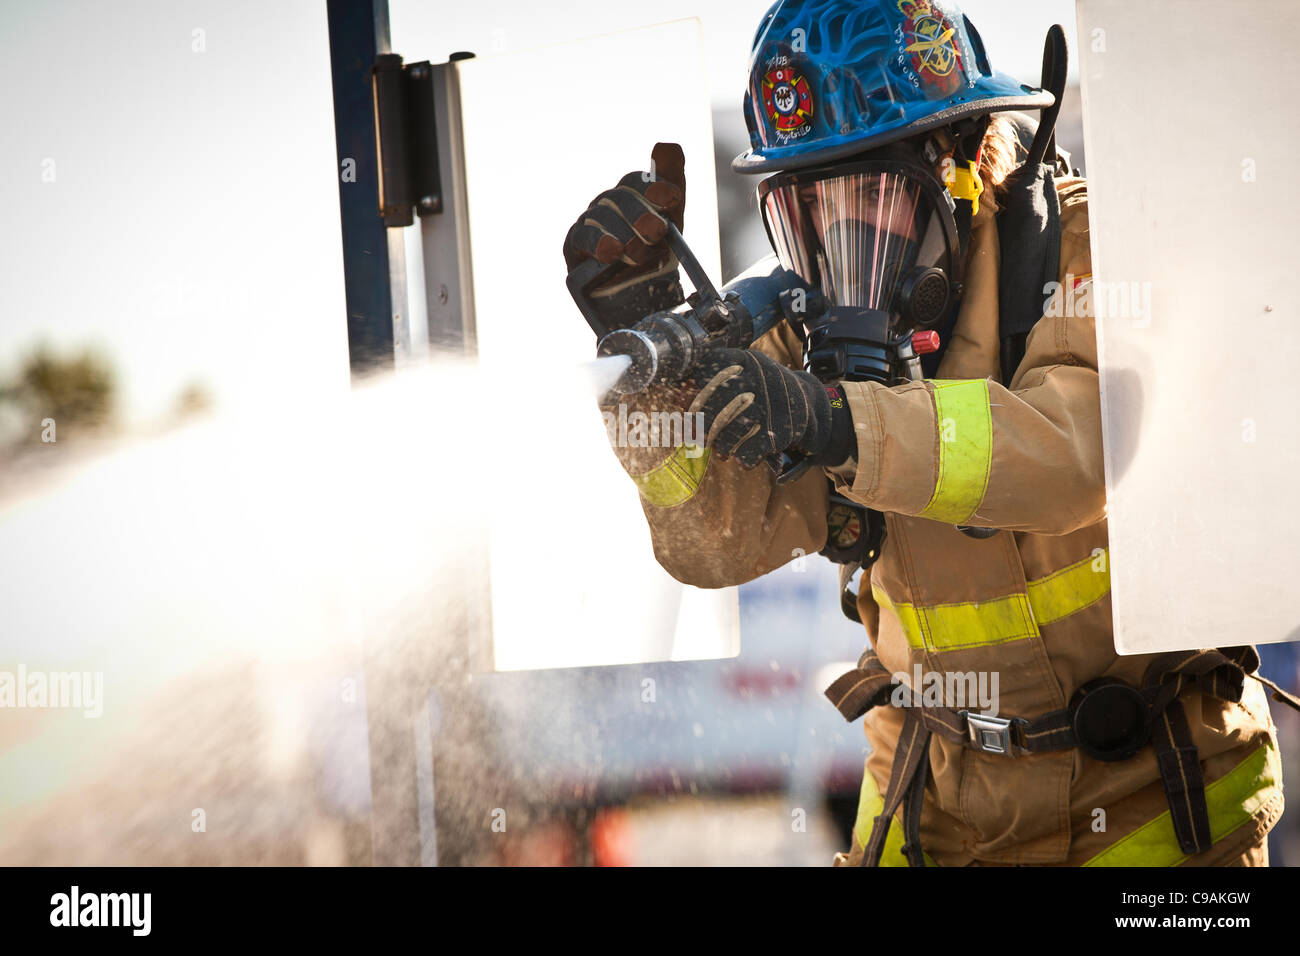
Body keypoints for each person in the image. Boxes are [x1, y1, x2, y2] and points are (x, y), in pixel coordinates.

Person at [563, 0, 1293, 866]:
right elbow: (716, 546)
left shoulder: (1088, 250)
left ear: (967, 164)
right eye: (812, 212)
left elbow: (1072, 456)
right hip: (930, 810)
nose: (844, 244)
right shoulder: (811, 322)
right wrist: (659, 395)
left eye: (871, 199)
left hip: (1142, 811)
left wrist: (838, 423)